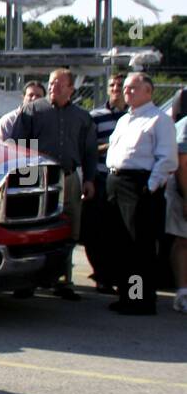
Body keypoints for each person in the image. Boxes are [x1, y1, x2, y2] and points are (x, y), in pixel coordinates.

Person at [12, 68, 98, 301]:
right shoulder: (31, 111)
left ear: (71, 88)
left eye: (60, 84)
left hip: (69, 179)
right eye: (51, 83)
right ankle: (25, 280)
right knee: (32, 227)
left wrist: (89, 179)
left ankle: (63, 280)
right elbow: (18, 145)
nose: (53, 87)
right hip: (37, 180)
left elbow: (89, 151)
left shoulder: (82, 117)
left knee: (69, 229)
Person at [104, 72, 178, 316]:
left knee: (139, 246)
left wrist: (151, 185)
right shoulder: (125, 119)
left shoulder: (159, 120)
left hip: (139, 186)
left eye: (133, 88)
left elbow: (167, 158)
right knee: (121, 242)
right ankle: (127, 294)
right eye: (125, 88)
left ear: (149, 91)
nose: (127, 91)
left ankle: (141, 300)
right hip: (117, 181)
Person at [88, 73, 128, 292]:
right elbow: (89, 149)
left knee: (120, 230)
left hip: (124, 181)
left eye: (120, 85)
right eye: (112, 85)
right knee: (98, 231)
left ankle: (121, 277)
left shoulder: (134, 117)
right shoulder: (95, 116)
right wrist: (111, 146)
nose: (116, 88)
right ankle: (101, 276)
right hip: (101, 177)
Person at [162, 89, 187, 313]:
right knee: (182, 241)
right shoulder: (185, 125)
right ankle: (182, 292)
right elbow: (182, 162)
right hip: (182, 191)